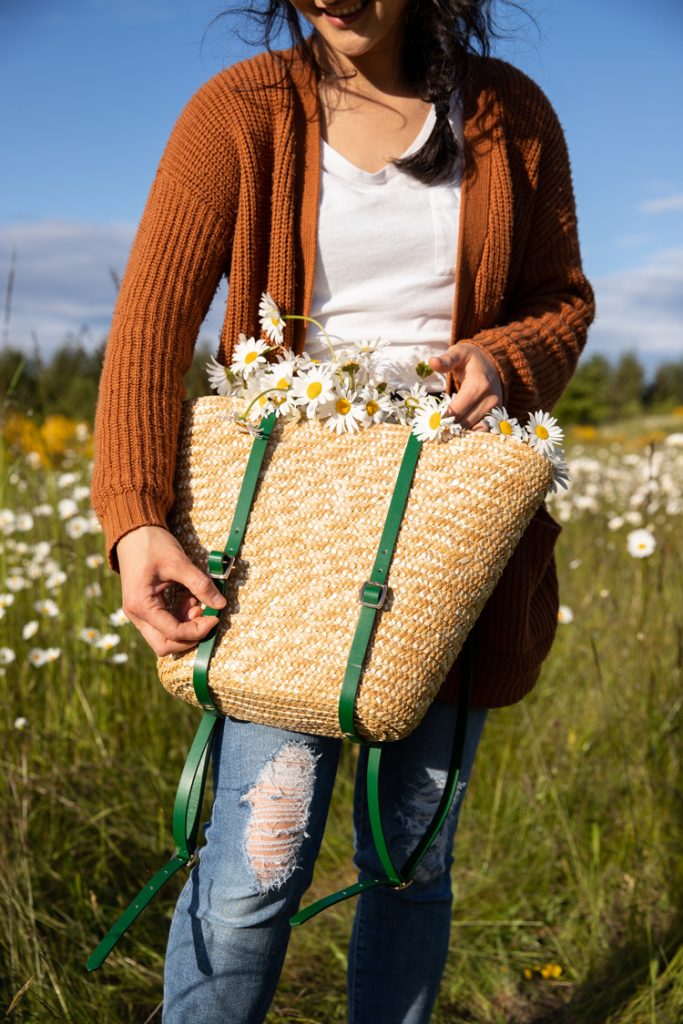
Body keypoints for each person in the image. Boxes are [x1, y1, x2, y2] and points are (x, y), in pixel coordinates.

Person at [91, 1, 594, 1020]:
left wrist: (507, 355)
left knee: (409, 863)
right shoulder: (237, 113)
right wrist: (137, 514)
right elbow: (150, 324)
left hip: (449, 534)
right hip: (287, 537)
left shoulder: (507, 117)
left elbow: (562, 300)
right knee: (249, 874)